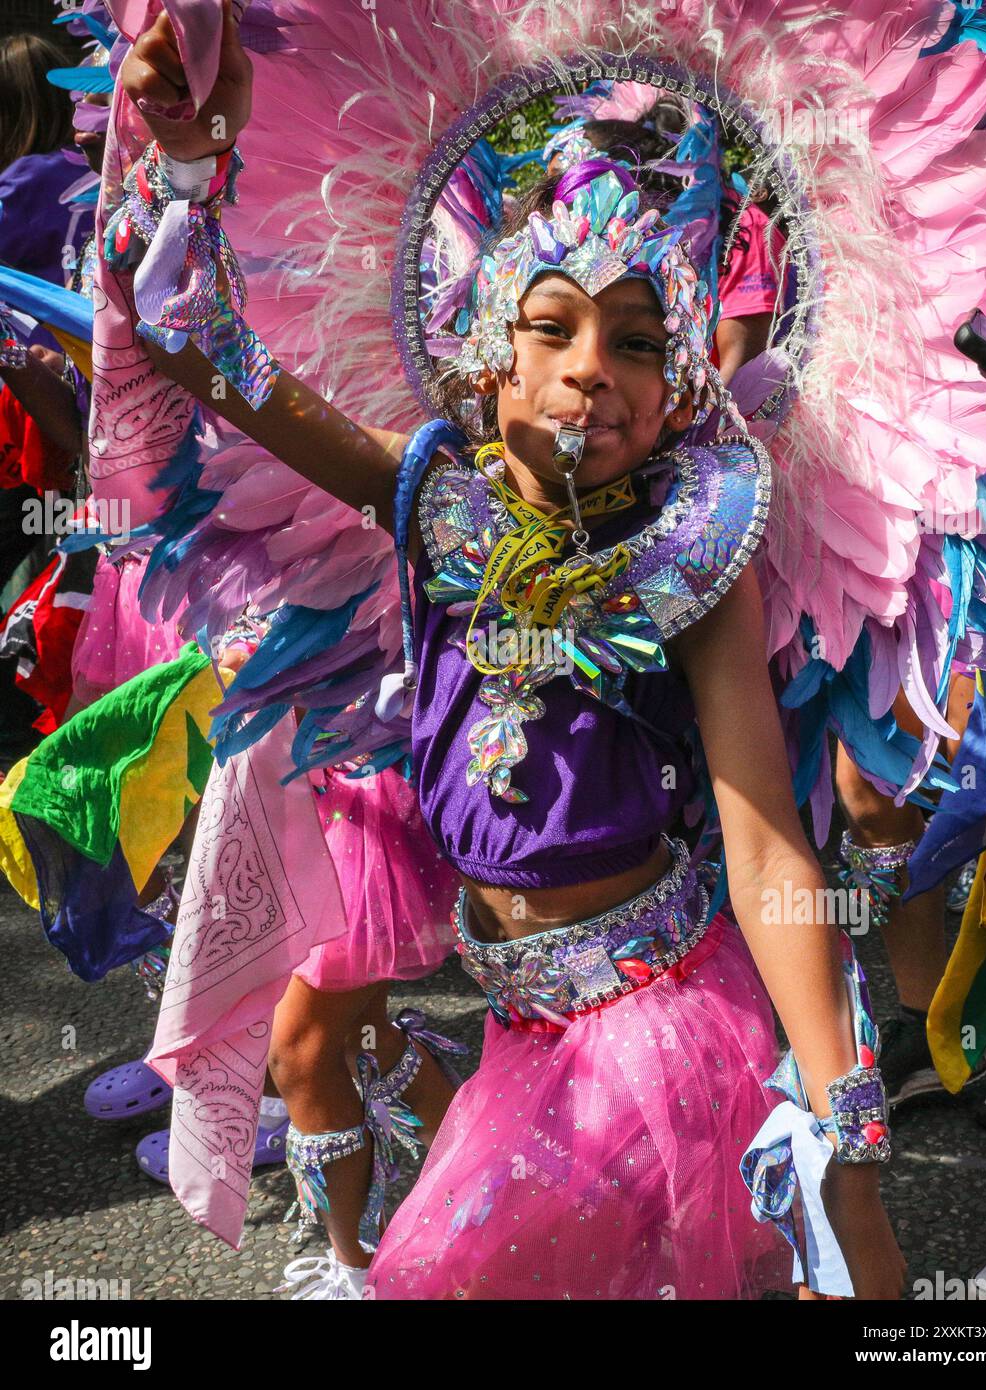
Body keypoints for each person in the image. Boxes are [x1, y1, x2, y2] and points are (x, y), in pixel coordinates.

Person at [113, 8, 910, 1301]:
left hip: (661, 1027)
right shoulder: (434, 499)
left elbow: (765, 845)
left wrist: (840, 1113)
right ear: (487, 366)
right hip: (521, 1032)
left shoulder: (691, 560)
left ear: (675, 398)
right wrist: (194, 167)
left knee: (439, 1279)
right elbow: (199, 340)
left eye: (640, 341)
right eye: (554, 324)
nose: (593, 367)